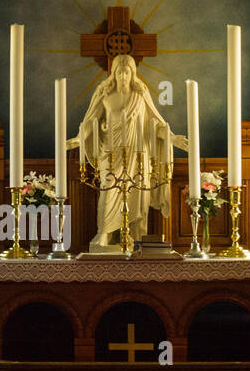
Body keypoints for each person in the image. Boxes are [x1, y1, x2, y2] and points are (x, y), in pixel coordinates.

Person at [67, 53, 189, 252]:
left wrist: (172, 138)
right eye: (119, 72)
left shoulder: (140, 95)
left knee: (138, 196)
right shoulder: (104, 94)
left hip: (137, 153)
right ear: (113, 73)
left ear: (133, 73)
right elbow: (91, 122)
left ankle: (136, 237)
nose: (123, 76)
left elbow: (155, 124)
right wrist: (77, 139)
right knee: (108, 193)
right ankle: (105, 233)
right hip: (111, 153)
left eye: (127, 72)